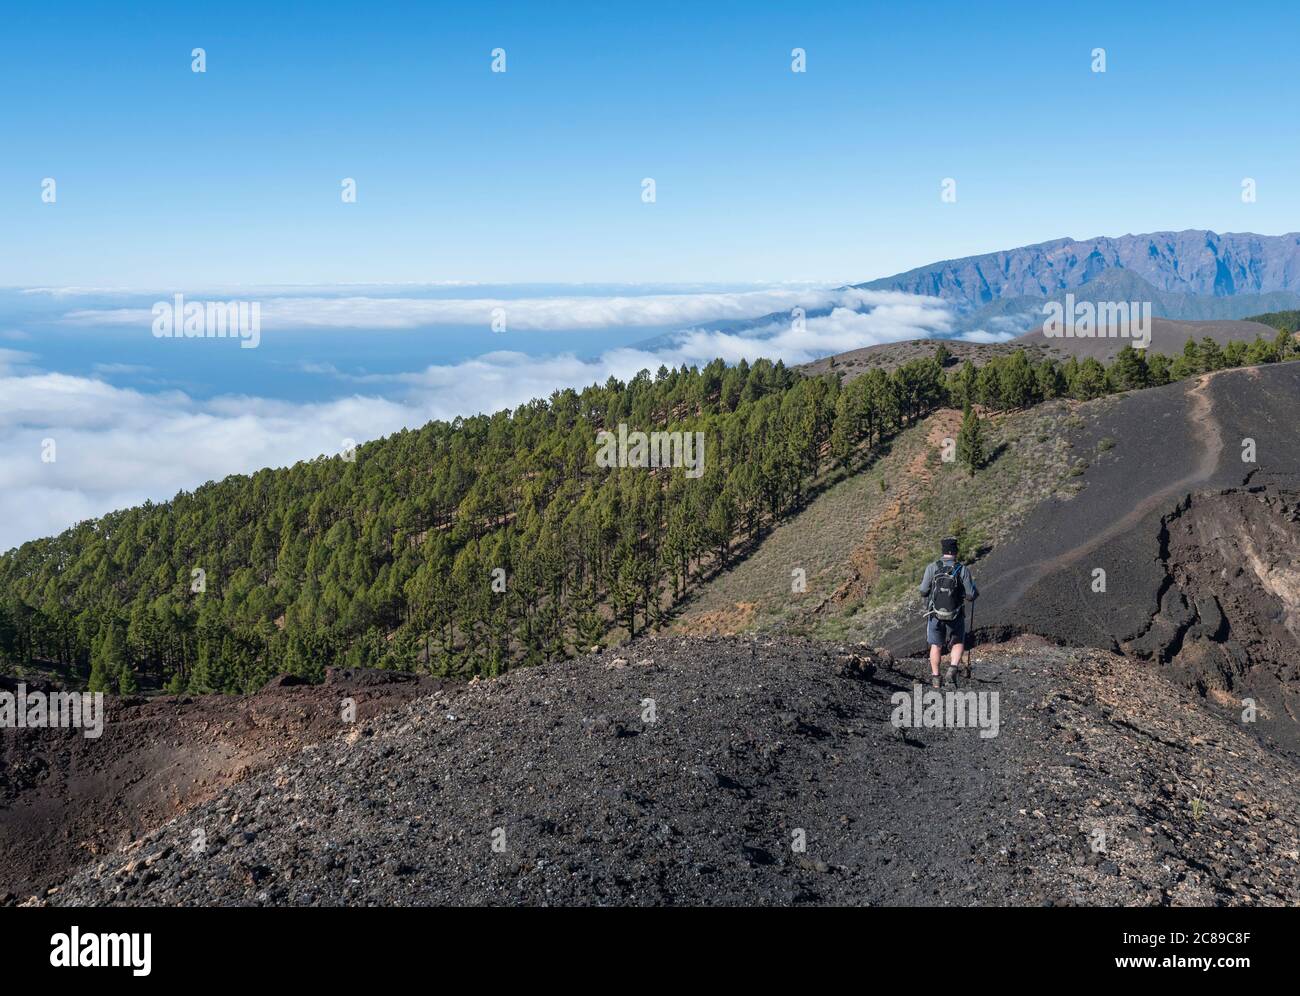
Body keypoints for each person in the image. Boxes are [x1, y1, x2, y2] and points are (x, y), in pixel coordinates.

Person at [918, 536, 978, 688]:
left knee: (936, 645)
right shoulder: (962, 569)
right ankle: (952, 670)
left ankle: (936, 679)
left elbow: (923, 591)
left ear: (943, 551)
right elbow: (970, 595)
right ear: (956, 551)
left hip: (935, 614)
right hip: (955, 614)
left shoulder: (932, 567)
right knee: (958, 642)